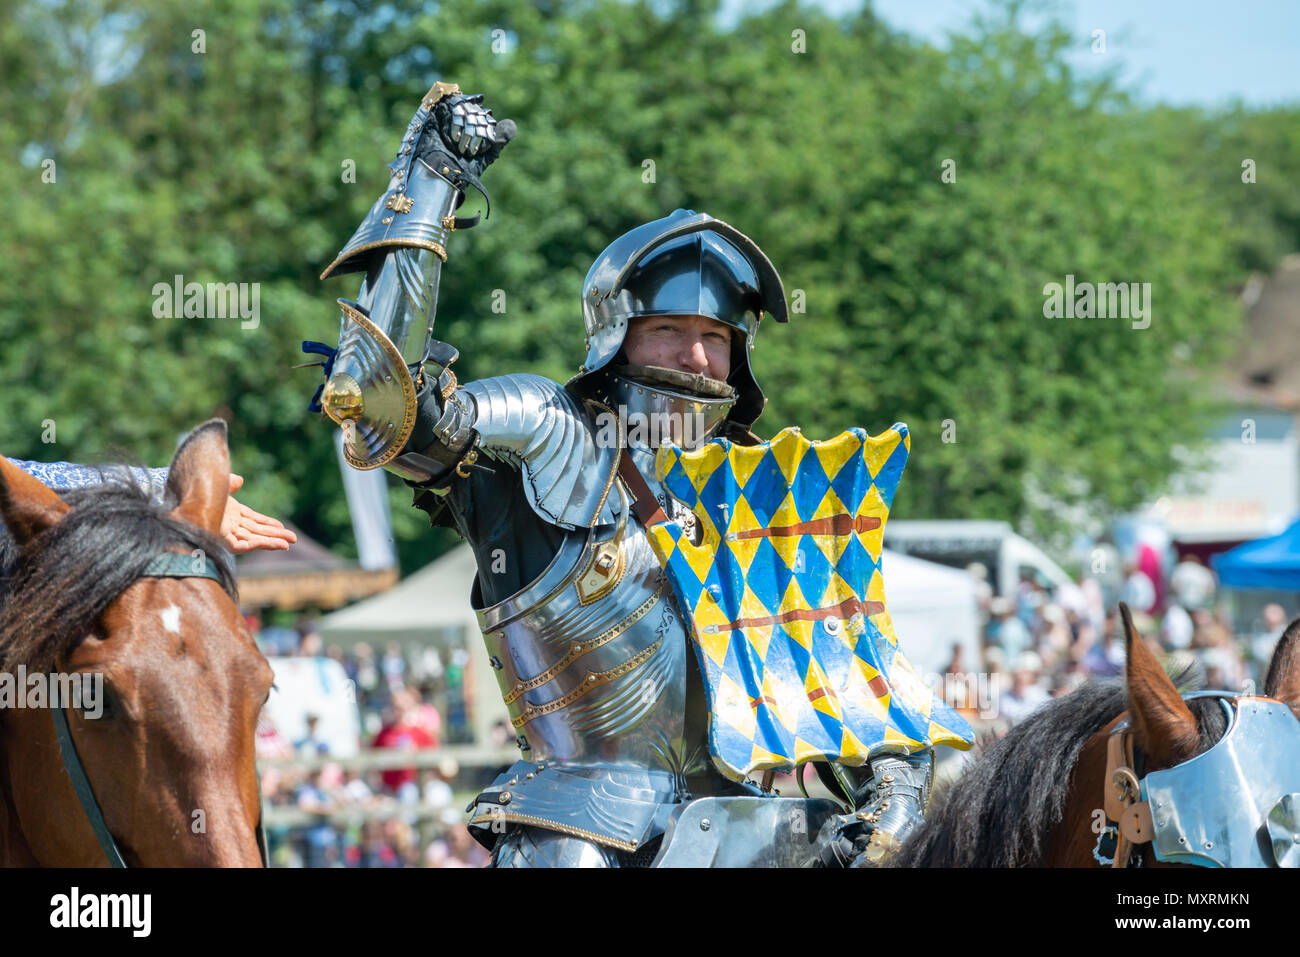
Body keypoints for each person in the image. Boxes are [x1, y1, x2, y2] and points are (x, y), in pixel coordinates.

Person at [307, 84, 969, 867]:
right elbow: (388, 408)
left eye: (714, 337)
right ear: (618, 336)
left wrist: (892, 790)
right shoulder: (545, 434)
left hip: (748, 840)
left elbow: (839, 683)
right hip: (580, 831)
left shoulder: (762, 496)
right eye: (669, 330)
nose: (696, 357)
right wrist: (431, 176)